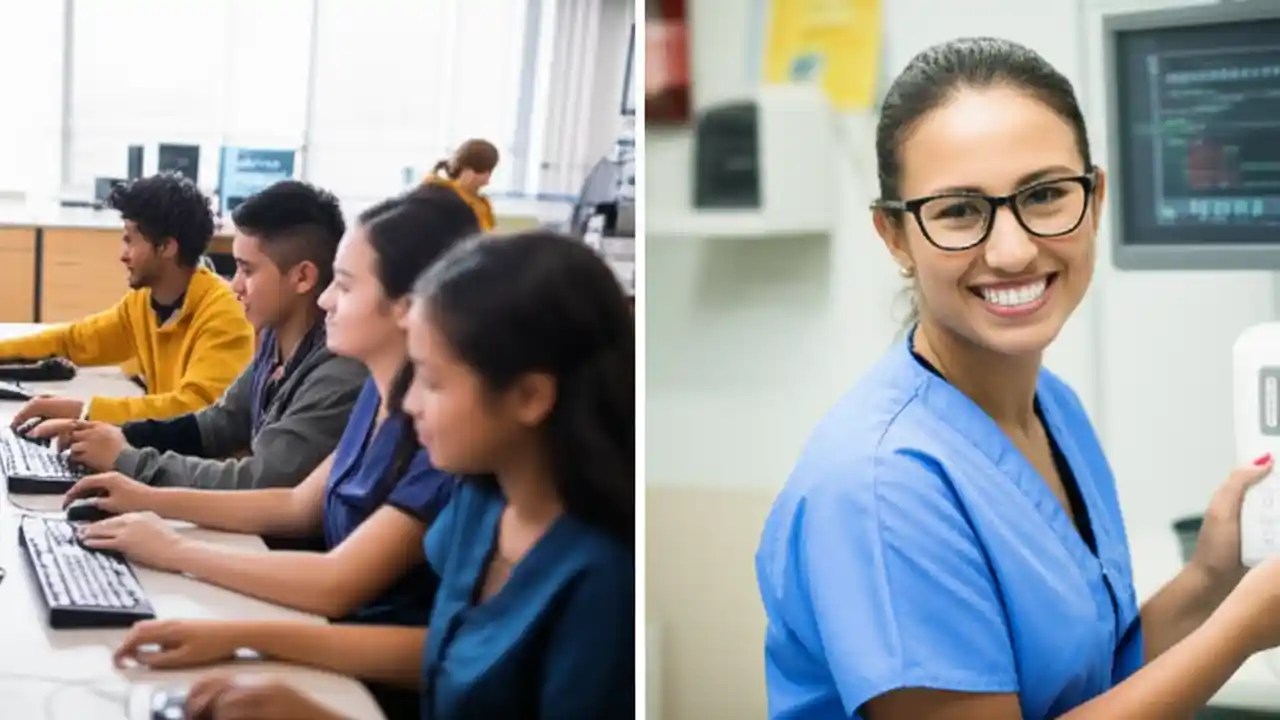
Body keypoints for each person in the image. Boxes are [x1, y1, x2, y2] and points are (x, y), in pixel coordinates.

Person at [754, 37, 1280, 720]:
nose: (1013, 250)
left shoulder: (1047, 406)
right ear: (894, 236)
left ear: (1094, 198)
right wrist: (1243, 629)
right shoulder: (881, 488)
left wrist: (1214, 578)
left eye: (1046, 195)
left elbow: (1096, 680)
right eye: (958, 211)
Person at [109, 231, 636, 720]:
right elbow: (441, 651)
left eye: (433, 382)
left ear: (529, 397)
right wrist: (242, 639)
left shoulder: (604, 584)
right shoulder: (483, 501)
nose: (410, 403)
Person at [31, 180, 366, 492]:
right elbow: (218, 423)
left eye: (247, 270)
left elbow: (260, 481)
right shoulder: (275, 342)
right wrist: (106, 434)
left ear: (303, 277)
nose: (235, 285)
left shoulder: (337, 374)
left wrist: (128, 461)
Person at [3, 173, 255, 425]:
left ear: (166, 247)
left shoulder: (226, 316)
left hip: (196, 449)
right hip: (163, 443)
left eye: (130, 240)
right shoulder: (142, 303)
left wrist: (86, 411)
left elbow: (198, 411)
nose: (122, 255)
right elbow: (73, 341)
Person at [424, 138, 499, 230]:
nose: (487, 181)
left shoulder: (481, 203)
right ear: (468, 170)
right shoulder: (440, 199)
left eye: (490, 171)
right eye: (484, 171)